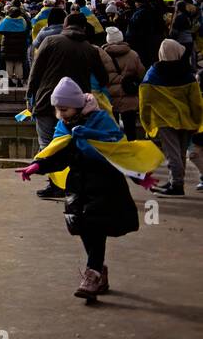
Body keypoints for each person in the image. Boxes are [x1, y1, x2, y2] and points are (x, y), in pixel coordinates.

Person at [15, 77, 155, 300]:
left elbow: (118, 152)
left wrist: (140, 176)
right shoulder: (64, 125)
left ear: (77, 105)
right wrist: (37, 166)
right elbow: (59, 155)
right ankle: (99, 272)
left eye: (64, 108)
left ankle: (91, 274)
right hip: (78, 188)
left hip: (104, 185)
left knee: (95, 226)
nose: (60, 113)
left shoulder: (101, 121)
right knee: (82, 227)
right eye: (58, 109)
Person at [27, 12, 110, 199]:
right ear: (83, 27)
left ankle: (55, 184)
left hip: (47, 100)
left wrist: (29, 96)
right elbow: (103, 78)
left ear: (65, 25)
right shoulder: (90, 49)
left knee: (48, 143)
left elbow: (35, 72)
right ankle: (72, 183)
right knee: (74, 144)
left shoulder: (49, 41)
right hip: (77, 105)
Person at [138, 38, 203, 196]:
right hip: (186, 119)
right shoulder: (187, 74)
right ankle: (176, 182)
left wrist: (146, 123)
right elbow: (196, 101)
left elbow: (144, 102)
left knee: (172, 154)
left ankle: (176, 186)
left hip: (164, 119)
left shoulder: (152, 74)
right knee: (179, 153)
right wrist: (197, 120)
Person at [101, 26, 144, 139]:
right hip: (129, 94)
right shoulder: (133, 54)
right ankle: (132, 148)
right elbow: (141, 73)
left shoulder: (102, 56)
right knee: (130, 129)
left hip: (110, 97)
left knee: (113, 129)